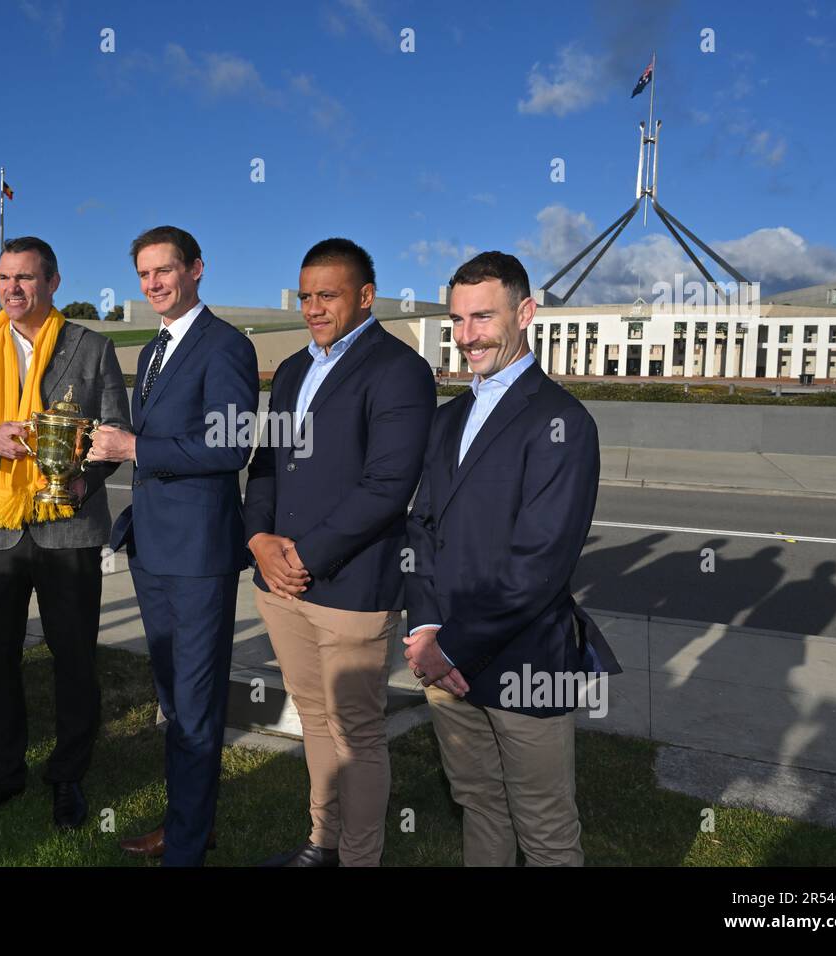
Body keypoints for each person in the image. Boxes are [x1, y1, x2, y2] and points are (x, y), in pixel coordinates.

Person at [404, 251, 620, 866]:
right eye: (457, 320)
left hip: (525, 663)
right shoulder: (449, 419)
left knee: (546, 829)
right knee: (478, 804)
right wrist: (423, 628)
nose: (467, 335)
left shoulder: (562, 422)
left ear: (525, 313)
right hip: (442, 658)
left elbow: (538, 565)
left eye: (482, 317)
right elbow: (419, 526)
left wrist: (451, 647)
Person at [243, 238, 435, 867]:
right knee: (314, 720)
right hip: (283, 586)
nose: (314, 307)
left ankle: (359, 858)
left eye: (328, 295)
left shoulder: (398, 369)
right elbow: (268, 463)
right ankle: (321, 843)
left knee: (357, 735)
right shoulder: (296, 368)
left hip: (351, 587)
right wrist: (258, 539)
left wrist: (304, 555)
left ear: (365, 297)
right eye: (306, 296)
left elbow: (387, 487)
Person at [0, 237, 130, 829]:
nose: (12, 289)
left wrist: (81, 483)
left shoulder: (91, 347)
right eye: (2, 278)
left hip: (67, 527)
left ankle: (67, 778)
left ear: (52, 282)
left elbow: (116, 430)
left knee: (74, 659)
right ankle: (1, 774)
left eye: (24, 278)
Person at [91, 225, 259, 866]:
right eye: (143, 274)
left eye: (165, 270)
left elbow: (230, 446)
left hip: (198, 557)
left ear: (196, 269)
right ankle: (190, 822)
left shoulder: (226, 347)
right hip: (154, 550)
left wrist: (132, 447)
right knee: (173, 700)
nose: (153, 283)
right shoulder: (157, 347)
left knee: (193, 702)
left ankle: (185, 846)